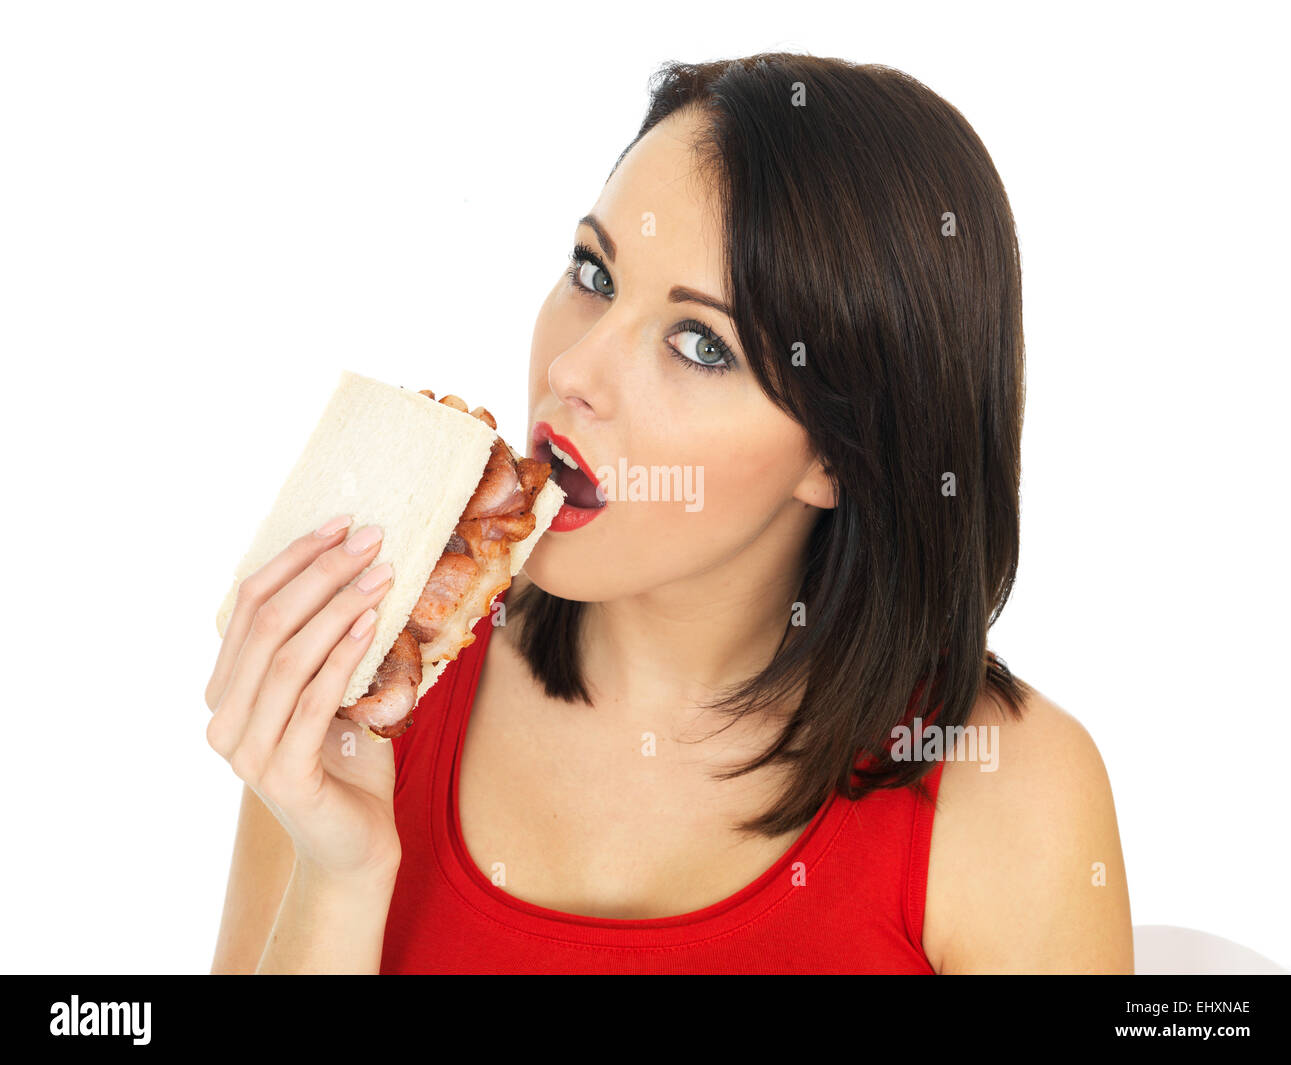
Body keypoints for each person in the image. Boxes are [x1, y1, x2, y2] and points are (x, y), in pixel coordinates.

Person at [206, 53, 1133, 974]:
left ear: (838, 455)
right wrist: (340, 876)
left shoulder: (1012, 795)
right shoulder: (366, 686)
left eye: (699, 343)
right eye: (595, 273)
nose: (574, 371)